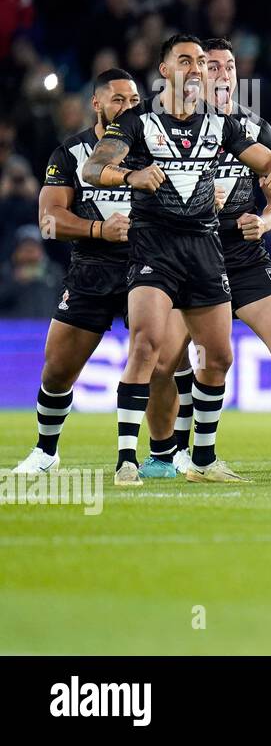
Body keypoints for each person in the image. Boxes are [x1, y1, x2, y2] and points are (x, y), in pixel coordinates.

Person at [82, 34, 271, 486]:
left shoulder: (223, 126)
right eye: (186, 60)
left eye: (202, 60)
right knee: (147, 346)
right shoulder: (137, 121)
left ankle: (202, 458)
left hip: (206, 250)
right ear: (164, 71)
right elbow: (92, 168)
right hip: (154, 247)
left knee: (218, 357)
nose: (197, 68)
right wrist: (132, 175)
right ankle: (128, 459)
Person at [146, 37, 271, 479]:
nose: (224, 73)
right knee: (165, 361)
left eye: (229, 66)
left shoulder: (255, 129)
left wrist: (268, 218)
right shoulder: (170, 127)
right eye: (212, 66)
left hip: (243, 252)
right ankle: (167, 453)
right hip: (186, 252)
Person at [11, 70, 137, 474]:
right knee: (58, 367)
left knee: (164, 359)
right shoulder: (70, 153)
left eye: (134, 101)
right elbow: (48, 221)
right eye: (119, 100)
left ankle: (170, 454)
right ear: (97, 104)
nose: (128, 108)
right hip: (92, 270)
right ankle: (46, 452)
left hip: (149, 268)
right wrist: (100, 229)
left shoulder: (155, 148)